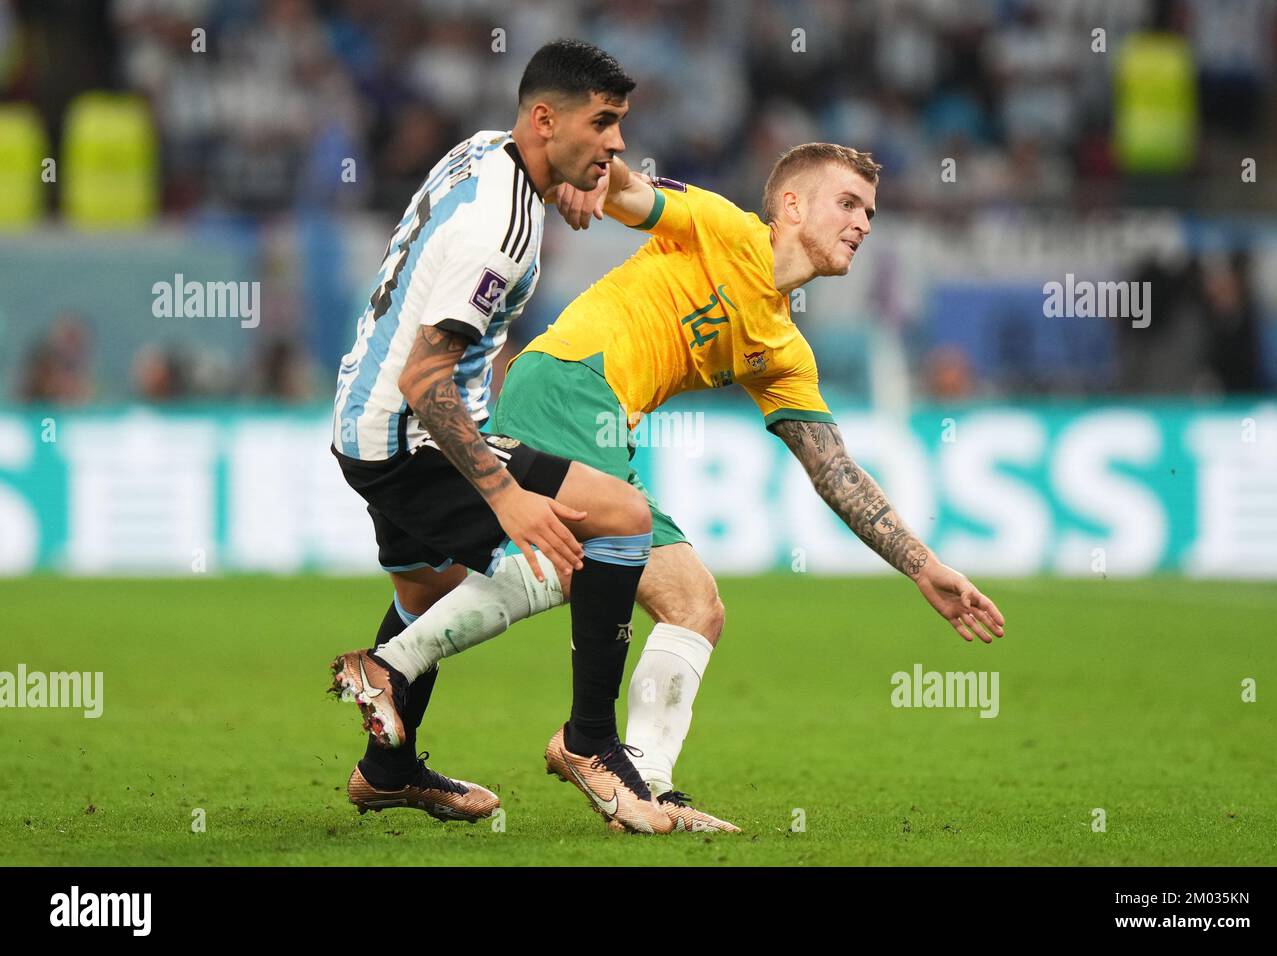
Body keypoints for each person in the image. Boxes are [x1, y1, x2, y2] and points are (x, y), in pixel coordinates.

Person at [371, 143, 1008, 832]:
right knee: (578, 557)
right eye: (848, 204)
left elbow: (834, 469)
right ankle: (403, 670)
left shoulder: (784, 349)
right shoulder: (723, 227)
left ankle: (644, 780)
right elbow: (627, 191)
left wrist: (923, 566)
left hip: (609, 421)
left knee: (695, 606)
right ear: (790, 205)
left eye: (870, 212)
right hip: (567, 380)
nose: (863, 223)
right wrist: (591, 176)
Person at [326, 39, 674, 835]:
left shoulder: (485, 151)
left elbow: (561, 166)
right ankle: (592, 743)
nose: (618, 145)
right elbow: (426, 380)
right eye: (606, 125)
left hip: (359, 420)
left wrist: (580, 184)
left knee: (428, 593)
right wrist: (505, 495)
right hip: (413, 433)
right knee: (621, 518)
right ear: (548, 120)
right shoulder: (500, 228)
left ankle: (386, 770)